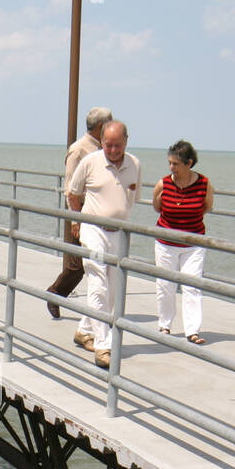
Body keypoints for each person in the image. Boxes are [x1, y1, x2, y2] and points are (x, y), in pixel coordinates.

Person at [67, 120, 141, 370]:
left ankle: (84, 329)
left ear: (126, 141)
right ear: (102, 142)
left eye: (117, 145)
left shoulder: (134, 164)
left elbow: (132, 198)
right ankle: (103, 345)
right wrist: (78, 221)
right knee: (98, 282)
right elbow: (72, 192)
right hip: (93, 228)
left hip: (118, 231)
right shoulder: (90, 162)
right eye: (107, 145)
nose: (112, 150)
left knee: (113, 288)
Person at [47, 107, 112, 319]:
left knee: (94, 260)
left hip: (100, 212)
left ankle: (98, 306)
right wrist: (76, 221)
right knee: (78, 265)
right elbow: (70, 189)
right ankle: (55, 293)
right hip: (81, 211)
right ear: (101, 126)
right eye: (109, 123)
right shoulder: (79, 150)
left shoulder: (104, 149)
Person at [152, 141, 214, 344]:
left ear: (189, 163)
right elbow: (157, 206)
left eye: (176, 164)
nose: (172, 168)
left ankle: (192, 331)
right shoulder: (163, 183)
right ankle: (165, 325)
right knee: (165, 285)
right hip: (166, 242)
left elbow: (206, 207)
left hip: (194, 243)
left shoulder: (204, 184)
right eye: (169, 163)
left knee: (192, 286)